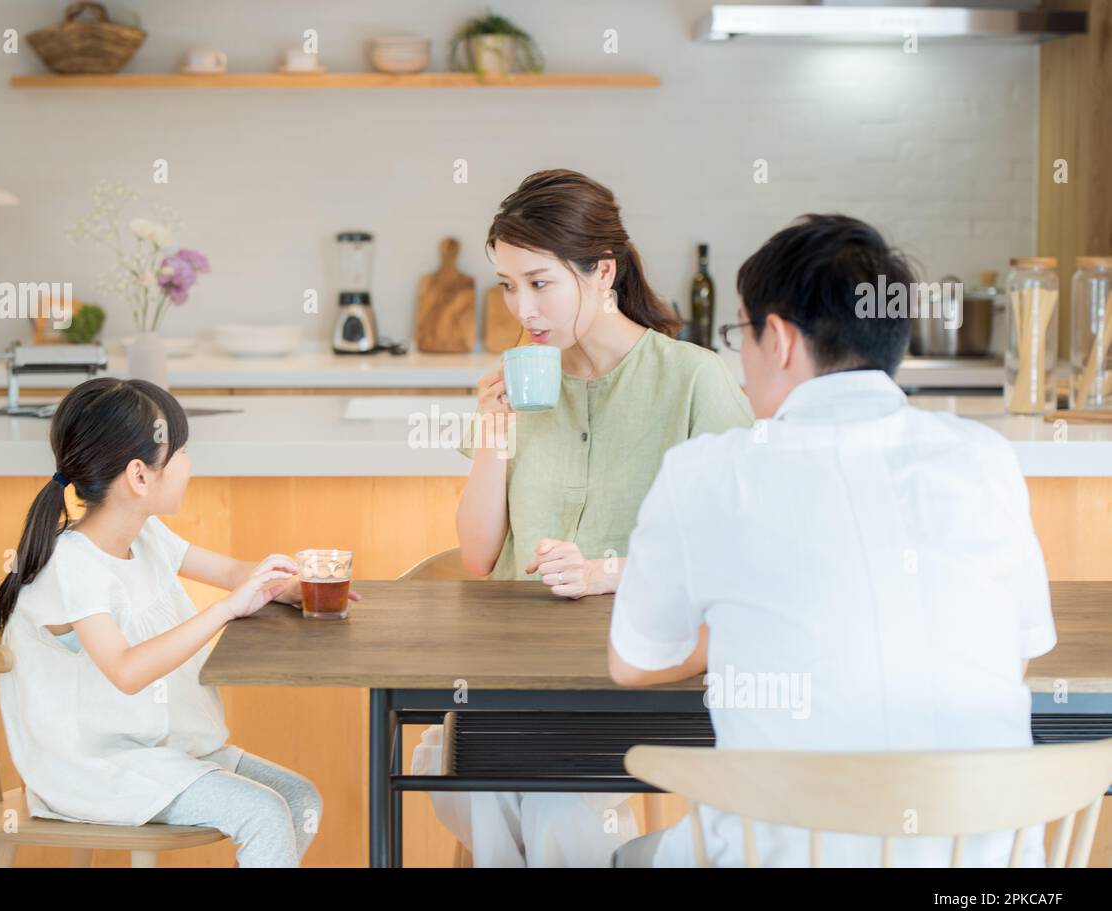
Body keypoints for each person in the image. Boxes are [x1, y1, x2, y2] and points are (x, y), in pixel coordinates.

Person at [608, 213, 1056, 867]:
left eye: (743, 334)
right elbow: (1019, 652)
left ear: (781, 340)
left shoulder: (708, 471)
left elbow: (634, 661)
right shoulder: (983, 458)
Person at [411, 169, 755, 867]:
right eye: (508, 285)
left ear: (602, 273)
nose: (523, 307)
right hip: (512, 674)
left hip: (635, 675)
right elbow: (478, 556)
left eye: (540, 282)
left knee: (532, 795)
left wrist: (611, 573)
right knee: (469, 770)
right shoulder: (520, 379)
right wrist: (494, 436)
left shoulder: (694, 380)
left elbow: (737, 558)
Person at [0, 377, 356, 867]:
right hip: (98, 769)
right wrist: (226, 608)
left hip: (166, 749)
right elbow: (125, 670)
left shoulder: (146, 536)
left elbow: (228, 571)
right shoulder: (72, 565)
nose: (188, 463)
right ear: (140, 476)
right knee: (264, 812)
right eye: (180, 451)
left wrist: (281, 587)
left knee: (299, 799)